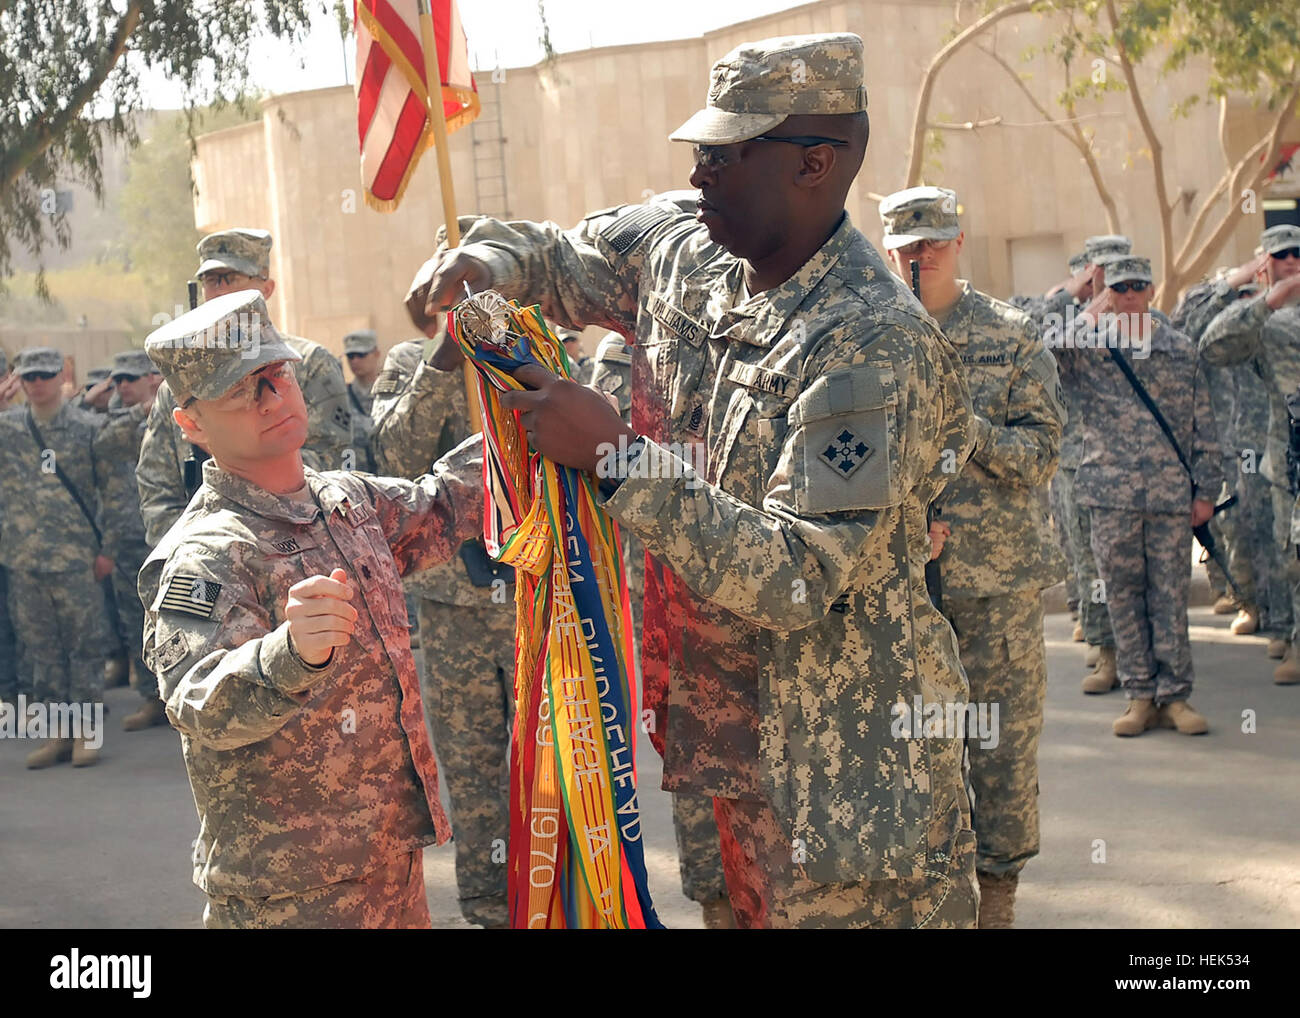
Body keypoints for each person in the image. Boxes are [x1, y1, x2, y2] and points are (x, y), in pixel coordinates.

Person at [405, 32, 977, 929]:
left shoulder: (871, 341)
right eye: (698, 150)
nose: (699, 172)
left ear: (814, 164)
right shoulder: (691, 250)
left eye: (724, 153)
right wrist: (489, 263)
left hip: (844, 787)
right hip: (723, 744)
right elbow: (561, 258)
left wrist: (618, 457)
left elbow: (796, 572)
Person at [138, 290, 485, 929]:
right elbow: (196, 703)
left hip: (391, 862)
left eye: (276, 375)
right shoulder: (204, 555)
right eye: (240, 389)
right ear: (191, 425)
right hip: (292, 893)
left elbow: (443, 506)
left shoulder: (343, 500)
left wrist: (528, 424)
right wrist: (287, 656)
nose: (270, 398)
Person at [880, 185, 1064, 927]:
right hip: (898, 588)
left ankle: (997, 900)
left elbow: (1041, 454)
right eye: (906, 248)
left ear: (960, 243)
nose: (920, 258)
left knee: (1001, 749)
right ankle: (930, 899)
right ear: (887, 250)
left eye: (933, 243)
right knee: (914, 755)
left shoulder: (1011, 334)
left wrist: (969, 428)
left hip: (994, 586)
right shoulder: (869, 336)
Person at [368, 329, 515, 929]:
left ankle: (565, 897)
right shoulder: (410, 362)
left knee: (560, 759)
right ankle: (490, 905)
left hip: (538, 592)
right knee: (471, 763)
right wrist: (442, 361)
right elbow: (394, 454)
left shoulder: (541, 346)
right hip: (453, 603)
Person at [590, 329, 735, 929]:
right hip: (667, 599)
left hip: (765, 584)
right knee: (697, 767)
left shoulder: (756, 326)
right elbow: (597, 469)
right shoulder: (621, 358)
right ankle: (719, 911)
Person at [1054, 256, 1221, 735]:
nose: (1128, 297)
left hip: (1169, 495)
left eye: (1137, 288)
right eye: (1119, 288)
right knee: (1122, 599)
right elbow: (1047, 352)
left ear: (1151, 292)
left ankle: (1176, 696)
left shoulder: (1179, 349)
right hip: (1111, 495)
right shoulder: (1092, 346)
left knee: (1169, 596)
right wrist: (1091, 309)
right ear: (1109, 292)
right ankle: (1139, 696)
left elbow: (1202, 424)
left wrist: (1206, 490)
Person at [136, 228, 352, 546]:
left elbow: (334, 463)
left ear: (266, 288)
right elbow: (157, 486)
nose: (221, 289)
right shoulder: (180, 386)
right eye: (212, 279)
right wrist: (186, 550)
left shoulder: (307, 363)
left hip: (298, 546)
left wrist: (237, 450)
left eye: (233, 277)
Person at [0, 347, 113, 768]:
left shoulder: (87, 428)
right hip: (24, 560)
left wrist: (108, 550)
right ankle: (57, 734)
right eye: (28, 376)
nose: (37, 383)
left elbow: (110, 493)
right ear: (18, 380)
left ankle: (85, 733)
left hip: (75, 558)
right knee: (40, 652)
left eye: (45, 375)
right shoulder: (8, 428)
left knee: (83, 647)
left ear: (60, 375)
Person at [1200, 224, 1300, 684]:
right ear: (1266, 263)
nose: (1292, 262)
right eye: (1282, 256)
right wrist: (1265, 296)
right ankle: (1286, 631)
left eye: (1299, 254)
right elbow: (1211, 345)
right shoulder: (1261, 318)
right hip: (1276, 452)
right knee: (1282, 544)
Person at [94, 349, 170, 731]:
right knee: (133, 619)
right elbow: (98, 442)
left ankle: (177, 693)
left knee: (175, 617)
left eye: (130, 379)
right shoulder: (112, 423)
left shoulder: (170, 413)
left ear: (151, 379)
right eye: (118, 380)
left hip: (164, 535)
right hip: (125, 538)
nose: (123, 386)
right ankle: (149, 697)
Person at [343, 329, 381, 472]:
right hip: (357, 480)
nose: (355, 361)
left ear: (376, 354)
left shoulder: (389, 395)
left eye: (361, 355)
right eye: (350, 356)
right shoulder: (343, 397)